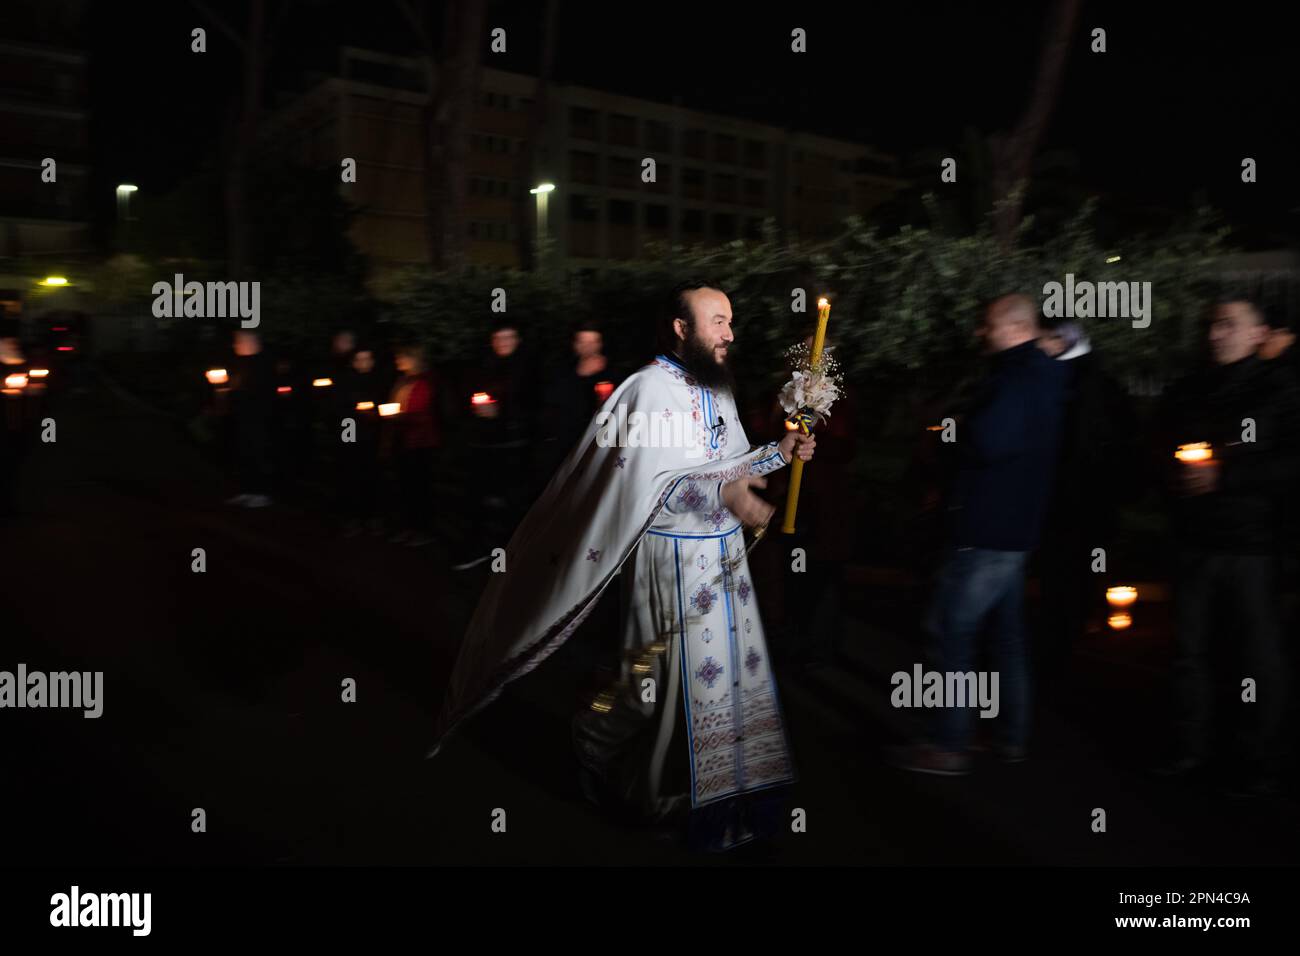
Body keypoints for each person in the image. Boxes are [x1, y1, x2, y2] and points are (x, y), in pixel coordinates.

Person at [430, 279, 816, 852]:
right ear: (682, 328)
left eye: (731, 321)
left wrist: (778, 452)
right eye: (717, 322)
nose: (729, 333)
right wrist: (731, 490)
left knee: (724, 687)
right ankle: (596, 745)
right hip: (670, 560)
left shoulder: (719, 388)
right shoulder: (646, 390)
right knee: (655, 686)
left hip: (723, 560)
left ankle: (709, 798)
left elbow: (729, 463)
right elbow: (650, 488)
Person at [894, 294, 1067, 775]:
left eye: (987, 324)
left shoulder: (1014, 377)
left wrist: (948, 434)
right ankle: (1012, 737)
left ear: (1013, 327)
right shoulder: (1046, 375)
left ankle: (949, 743)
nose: (979, 333)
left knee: (951, 630)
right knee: (1007, 637)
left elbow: (988, 440)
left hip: (985, 529)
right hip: (1015, 532)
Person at [1155, 299, 1300, 794]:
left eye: (1228, 325)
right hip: (1196, 541)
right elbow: (1161, 447)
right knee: (1189, 654)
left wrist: (1226, 474)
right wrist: (1175, 475)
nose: (1216, 334)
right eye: (1212, 324)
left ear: (1259, 334)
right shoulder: (1192, 389)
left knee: (1255, 659)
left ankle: (1256, 761)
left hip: (1253, 549)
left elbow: (1291, 465)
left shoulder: (1280, 390)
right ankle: (1188, 749)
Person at [1036, 319, 1134, 680]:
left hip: (1075, 506)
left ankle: (1058, 661)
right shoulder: (1094, 381)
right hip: (1085, 505)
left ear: (1062, 341)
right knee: (1071, 583)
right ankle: (1064, 652)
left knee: (1066, 584)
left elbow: (1086, 451)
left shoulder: (1078, 384)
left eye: (1045, 339)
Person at [387, 344, 440, 547]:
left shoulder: (425, 382)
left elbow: (422, 414)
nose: (398, 361)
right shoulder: (402, 380)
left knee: (420, 487)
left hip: (420, 443)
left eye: (402, 357)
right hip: (403, 441)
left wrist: (398, 417)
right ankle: (408, 527)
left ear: (413, 358)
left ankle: (423, 530)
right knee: (405, 486)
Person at [226, 329, 276, 508]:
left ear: (251, 342)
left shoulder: (263, 364)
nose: (236, 345)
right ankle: (247, 490)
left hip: (259, 419)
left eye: (239, 341)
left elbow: (263, 393)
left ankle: (262, 493)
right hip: (244, 418)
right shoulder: (239, 363)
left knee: (259, 454)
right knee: (244, 453)